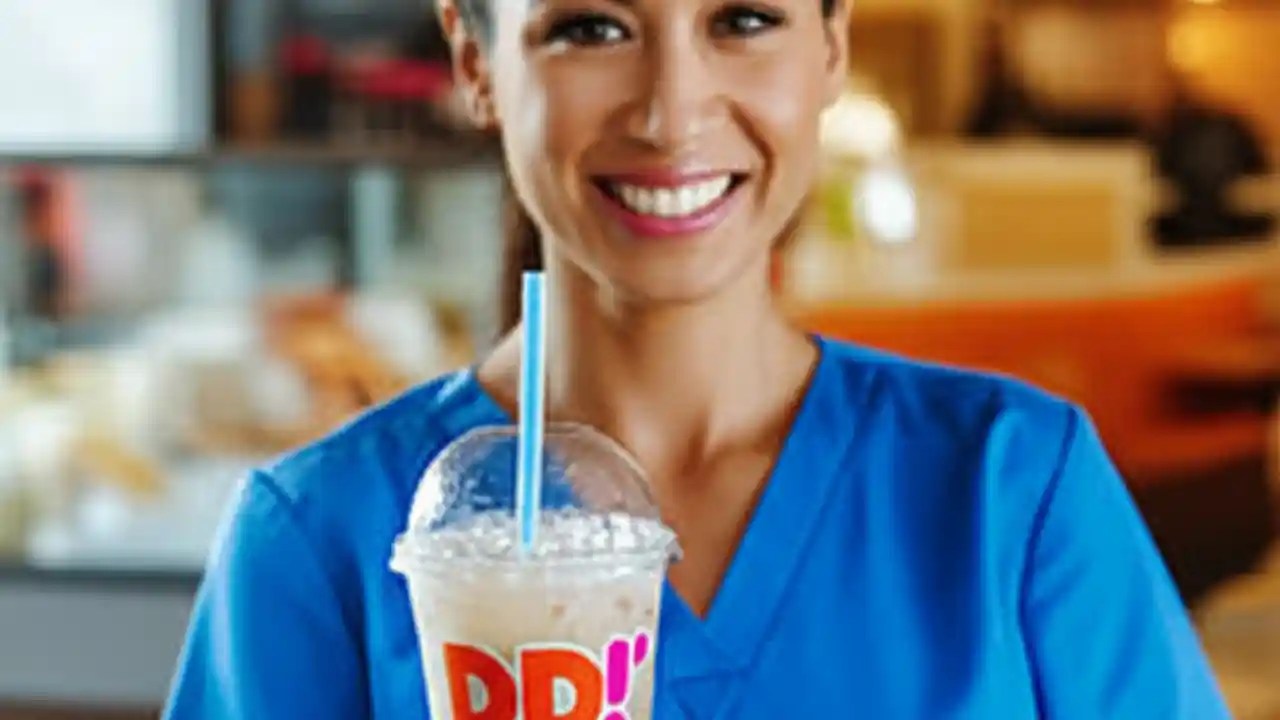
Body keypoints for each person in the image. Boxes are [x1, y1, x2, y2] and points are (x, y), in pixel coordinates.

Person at [164, 0, 1230, 714]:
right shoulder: (319, 539)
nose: (671, 113)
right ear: (474, 59)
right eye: (590, 26)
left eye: (743, 19)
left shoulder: (1012, 489)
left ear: (830, 47)